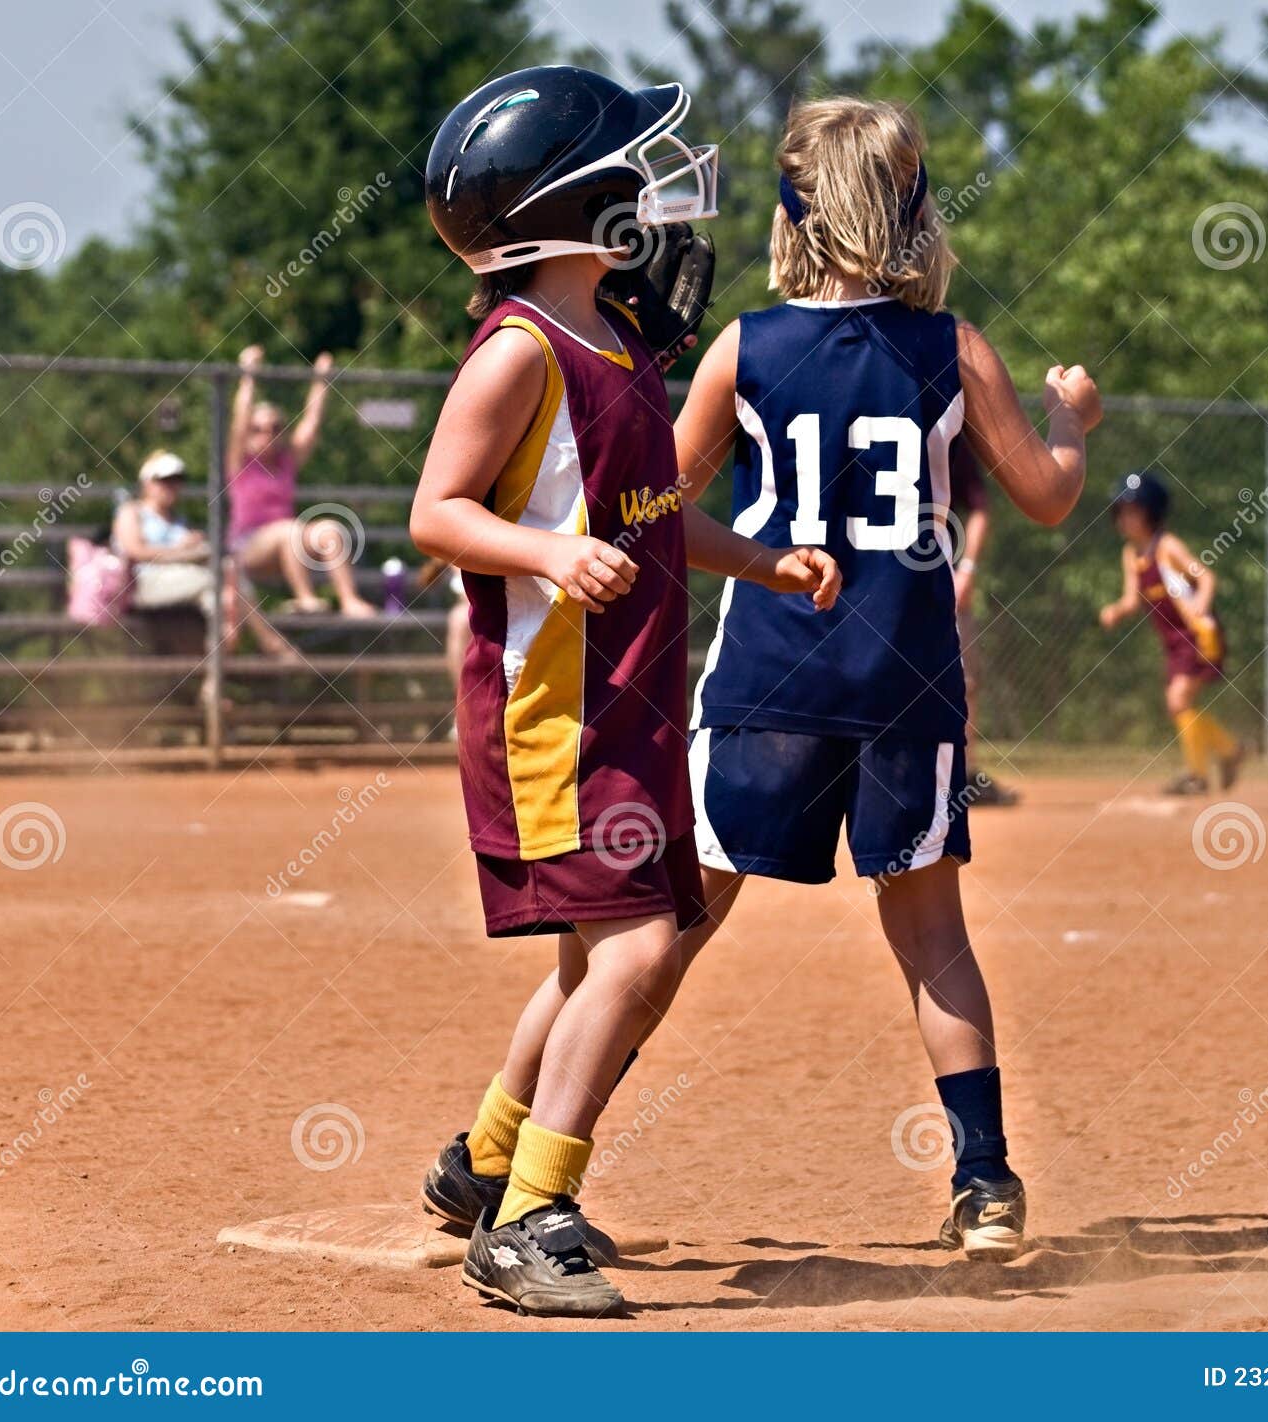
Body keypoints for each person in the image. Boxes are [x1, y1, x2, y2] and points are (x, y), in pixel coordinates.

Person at [422, 95, 1101, 1269]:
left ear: (796, 216)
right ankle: (984, 1180)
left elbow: (653, 502)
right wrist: (1072, 423)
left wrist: (665, 519)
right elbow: (1046, 495)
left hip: (766, 679)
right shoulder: (953, 348)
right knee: (929, 934)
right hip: (902, 678)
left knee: (657, 936)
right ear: (912, 214)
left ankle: (500, 1162)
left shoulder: (740, 344)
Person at [410, 65, 838, 1319]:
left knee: (605, 953)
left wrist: (759, 557)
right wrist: (542, 552)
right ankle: (533, 1213)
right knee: (644, 944)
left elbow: (646, 521)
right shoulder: (520, 355)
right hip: (552, 716)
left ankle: (482, 1163)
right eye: (630, 173)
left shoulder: (623, 347)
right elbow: (435, 512)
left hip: (632, 708)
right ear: (563, 205)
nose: (656, 195)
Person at [1098, 470, 1243, 794]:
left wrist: (1202, 607)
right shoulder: (1131, 554)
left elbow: (1205, 577)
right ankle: (1229, 751)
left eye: (1132, 511)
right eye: (1120, 511)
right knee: (1178, 702)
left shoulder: (1168, 547)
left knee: (1178, 699)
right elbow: (1132, 599)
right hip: (1174, 642)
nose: (1124, 519)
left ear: (1151, 512)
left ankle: (1199, 775)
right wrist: (1117, 611)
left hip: (1197, 634)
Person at [226, 345, 375, 616]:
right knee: (290, 531)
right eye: (257, 429)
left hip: (287, 542)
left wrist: (321, 379)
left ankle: (349, 600)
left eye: (275, 428)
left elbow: (311, 423)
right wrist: (248, 374)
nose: (266, 434)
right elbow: (239, 418)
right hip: (248, 547)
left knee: (329, 529)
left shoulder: (286, 461)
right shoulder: (241, 463)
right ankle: (306, 600)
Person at [113, 449, 294, 657]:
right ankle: (270, 642)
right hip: (144, 584)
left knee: (220, 596)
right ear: (147, 483)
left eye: (177, 480)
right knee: (223, 582)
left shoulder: (177, 519)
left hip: (187, 582)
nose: (172, 486)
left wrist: (197, 549)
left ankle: (214, 677)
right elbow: (136, 552)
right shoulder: (131, 512)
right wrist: (184, 551)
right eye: (164, 480)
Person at [948, 436, 1016, 806]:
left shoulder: (946, 435)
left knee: (965, 680)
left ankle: (963, 774)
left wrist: (968, 569)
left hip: (942, 579)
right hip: (870, 581)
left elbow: (979, 507)